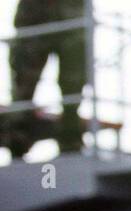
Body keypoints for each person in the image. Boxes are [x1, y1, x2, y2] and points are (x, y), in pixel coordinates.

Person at [3, 0, 86, 159]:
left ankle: (71, 142)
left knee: (73, 84)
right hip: (34, 17)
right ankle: (17, 144)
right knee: (23, 85)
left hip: (71, 17)